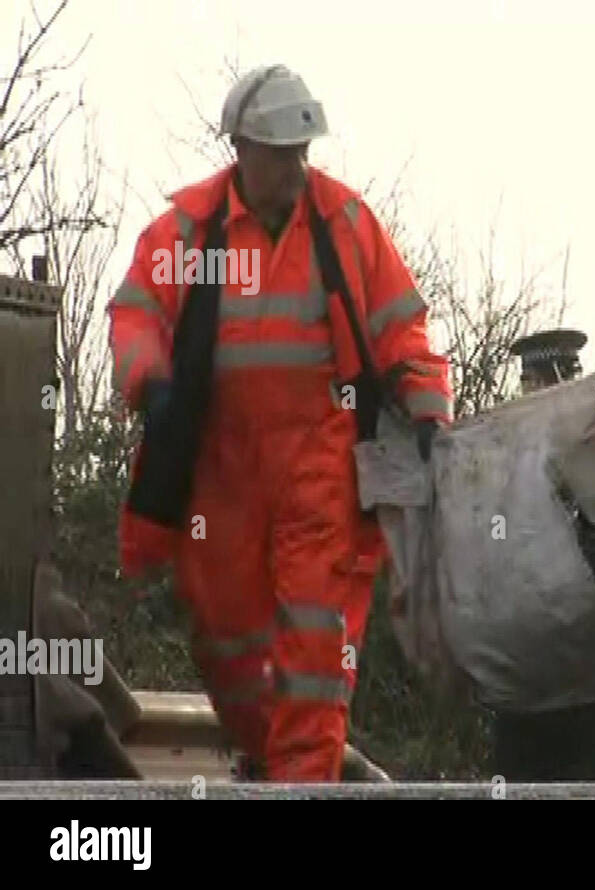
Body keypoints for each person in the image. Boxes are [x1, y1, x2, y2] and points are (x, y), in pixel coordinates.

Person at [108, 64, 453, 781]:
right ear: (241, 148)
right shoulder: (190, 229)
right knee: (227, 636)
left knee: (316, 652)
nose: (296, 166)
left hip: (320, 467)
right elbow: (136, 311)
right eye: (280, 152)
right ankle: (269, 760)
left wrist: (426, 404)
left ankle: (302, 783)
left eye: (303, 151)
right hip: (221, 474)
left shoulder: (345, 224)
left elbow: (401, 328)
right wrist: (147, 377)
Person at [486, 328, 595, 782]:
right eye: (531, 383)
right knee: (520, 775)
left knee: (587, 776)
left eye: (543, 381)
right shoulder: (504, 459)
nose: (535, 393)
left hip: (587, 664)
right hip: (523, 664)